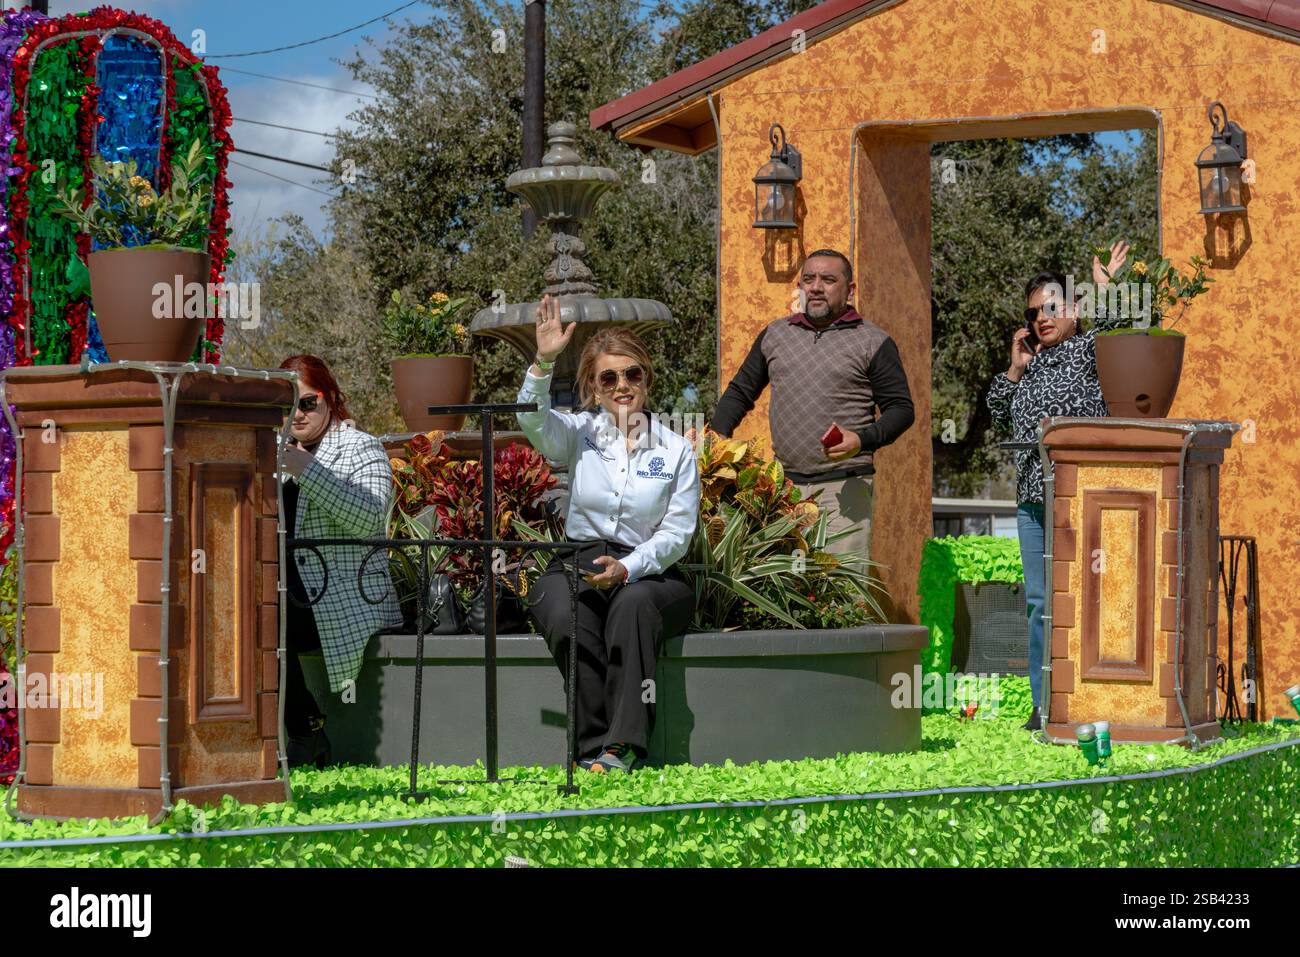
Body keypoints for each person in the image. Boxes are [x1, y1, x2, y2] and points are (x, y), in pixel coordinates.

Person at [519, 296, 699, 773]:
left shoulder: (677, 449)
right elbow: (531, 420)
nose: (622, 386)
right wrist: (543, 361)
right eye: (609, 377)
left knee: (631, 606)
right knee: (560, 608)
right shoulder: (579, 434)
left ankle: (623, 746)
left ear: (647, 380)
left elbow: (678, 533)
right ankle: (591, 745)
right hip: (580, 557)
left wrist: (628, 568)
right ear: (593, 388)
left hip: (652, 570)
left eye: (632, 374)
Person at [985, 241, 1128, 731]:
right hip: (1031, 502)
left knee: (1090, 595)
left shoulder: (1088, 350)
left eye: (1051, 307)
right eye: (1033, 312)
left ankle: (1093, 698)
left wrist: (1106, 291)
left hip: (1083, 496)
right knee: (1041, 602)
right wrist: (1014, 367)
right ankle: (1043, 702)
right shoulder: (1030, 364)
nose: (1041, 318)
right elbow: (997, 412)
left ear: (1073, 309)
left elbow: (1119, 330)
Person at [708, 248, 914, 561]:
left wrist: (862, 439)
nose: (816, 286)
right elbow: (740, 391)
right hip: (782, 490)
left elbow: (901, 409)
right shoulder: (775, 334)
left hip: (844, 491)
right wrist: (715, 441)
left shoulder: (874, 341)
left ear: (850, 290)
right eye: (808, 279)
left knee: (842, 599)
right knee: (783, 593)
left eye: (828, 279)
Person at [277, 355, 402, 767]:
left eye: (307, 402)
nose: (297, 413)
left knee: (262, 615)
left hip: (344, 600)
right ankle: (302, 728)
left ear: (329, 399)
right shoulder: (271, 453)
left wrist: (308, 470)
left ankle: (304, 731)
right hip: (288, 597)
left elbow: (370, 517)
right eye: (287, 402)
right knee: (247, 609)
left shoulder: (360, 446)